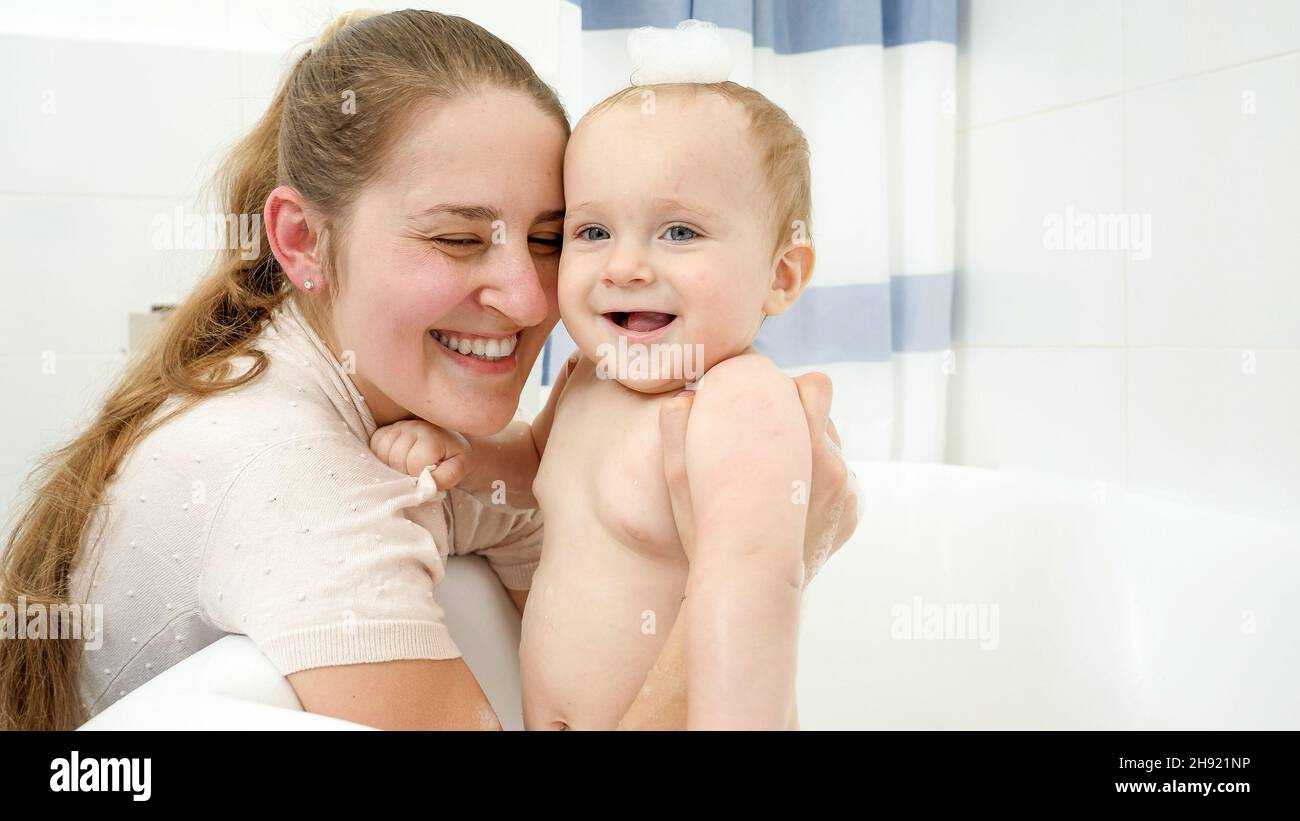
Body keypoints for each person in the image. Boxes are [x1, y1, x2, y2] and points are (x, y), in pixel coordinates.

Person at [0, 9, 857, 731]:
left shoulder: (335, 398)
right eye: (455, 237)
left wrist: (482, 469)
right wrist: (787, 548)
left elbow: (546, 526)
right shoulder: (290, 474)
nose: (528, 297)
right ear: (301, 240)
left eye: (551, 237)